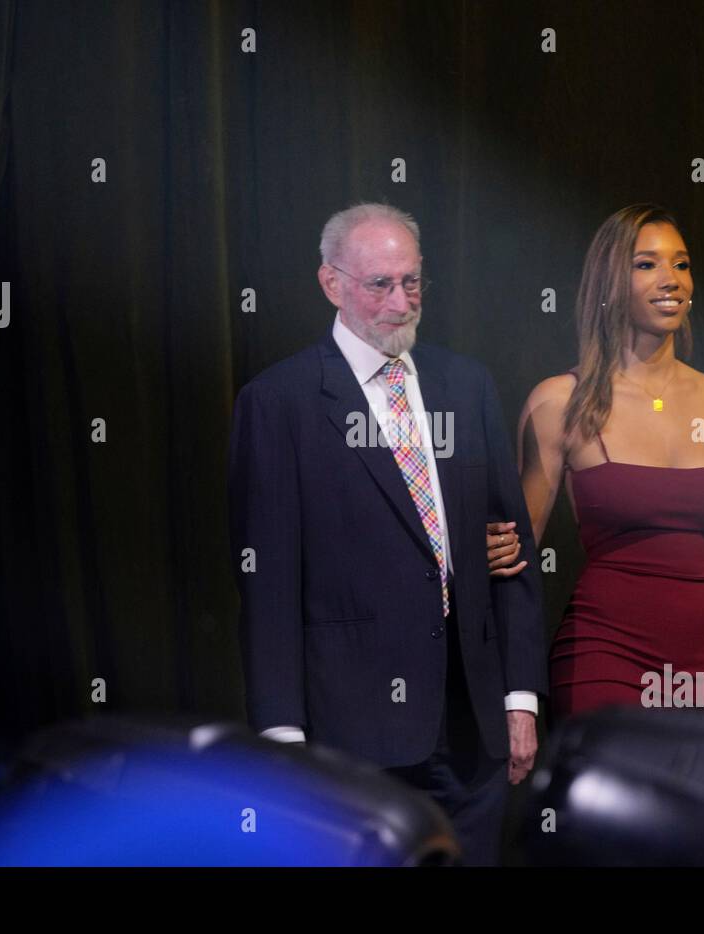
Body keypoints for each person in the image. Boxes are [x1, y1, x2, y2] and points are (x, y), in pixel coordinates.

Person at [227, 202, 548, 865]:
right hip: (349, 736)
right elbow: (269, 586)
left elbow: (510, 547)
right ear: (331, 283)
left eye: (413, 281)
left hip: (472, 733)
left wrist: (520, 697)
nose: (401, 302)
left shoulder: (466, 385)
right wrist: (283, 738)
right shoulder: (279, 404)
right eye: (381, 284)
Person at [485, 203, 704, 723]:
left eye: (680, 264)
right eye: (647, 264)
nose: (671, 279)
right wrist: (514, 693)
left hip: (696, 676)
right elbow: (517, 550)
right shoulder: (559, 402)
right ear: (609, 282)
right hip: (600, 662)